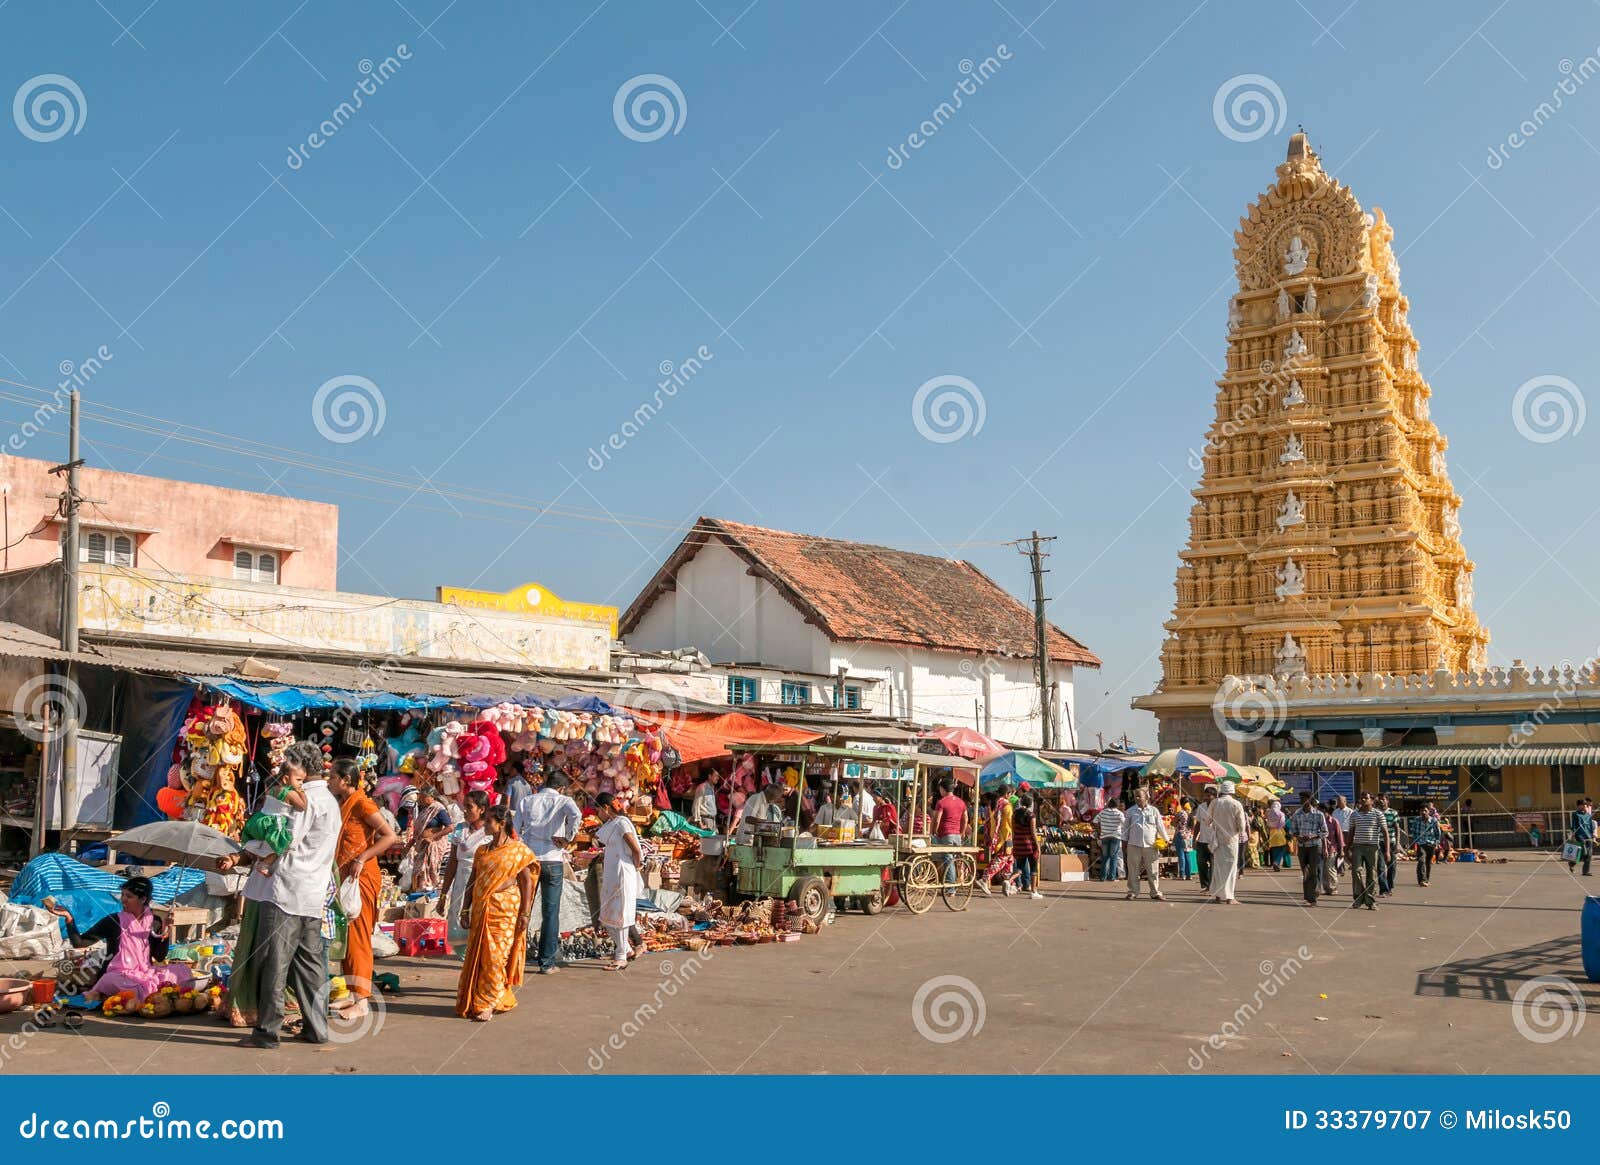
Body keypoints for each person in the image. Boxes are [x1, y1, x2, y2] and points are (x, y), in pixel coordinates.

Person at [221, 740, 340, 1049]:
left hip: (285, 891)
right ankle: (317, 1028)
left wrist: (253, 856)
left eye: (290, 764)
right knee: (309, 967)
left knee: (274, 963)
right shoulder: (330, 800)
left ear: (300, 766)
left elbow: (285, 839)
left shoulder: (303, 800)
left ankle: (266, 1033)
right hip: (312, 895)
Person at [45, 876, 193, 1005]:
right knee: (114, 981)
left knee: (181, 971)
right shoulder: (113, 921)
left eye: (128, 896)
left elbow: (159, 956)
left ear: (143, 899)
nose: (123, 900)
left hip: (144, 973)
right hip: (117, 976)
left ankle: (141, 994)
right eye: (122, 895)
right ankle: (138, 994)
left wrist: (166, 931)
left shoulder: (155, 922)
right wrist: (69, 919)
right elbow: (79, 943)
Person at [328, 758, 398, 1019]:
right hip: (345, 878)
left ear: (346, 780)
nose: (329, 781)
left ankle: (362, 1000)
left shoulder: (362, 803)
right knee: (346, 938)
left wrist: (361, 858)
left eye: (333, 777)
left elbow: (389, 836)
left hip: (361, 877)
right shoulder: (344, 803)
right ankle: (350, 992)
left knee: (358, 938)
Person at [454, 803, 536, 1021]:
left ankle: (487, 1004)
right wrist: (464, 909)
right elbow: (473, 880)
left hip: (505, 910)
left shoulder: (518, 851)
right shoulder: (483, 850)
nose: (484, 825)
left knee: (496, 957)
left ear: (501, 824)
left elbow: (526, 881)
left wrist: (526, 913)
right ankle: (491, 997)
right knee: (481, 956)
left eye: (489, 821)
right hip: (482, 908)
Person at [514, 770, 583, 974]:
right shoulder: (563, 800)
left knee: (522, 909)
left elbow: (516, 830)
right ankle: (547, 962)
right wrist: (568, 838)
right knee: (550, 913)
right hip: (552, 860)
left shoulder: (527, 801)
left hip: (529, 860)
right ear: (561, 787)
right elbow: (576, 815)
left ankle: (514, 956)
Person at [594, 791, 645, 969]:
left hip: (623, 874)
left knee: (621, 915)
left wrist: (636, 867)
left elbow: (636, 849)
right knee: (607, 916)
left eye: (598, 810)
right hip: (612, 873)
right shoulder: (612, 823)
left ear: (606, 808)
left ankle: (621, 956)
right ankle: (626, 949)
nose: (597, 814)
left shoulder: (622, 823)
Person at [439, 791, 492, 943]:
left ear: (481, 809)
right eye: (465, 806)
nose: (465, 810)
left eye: (469, 807)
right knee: (459, 925)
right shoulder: (460, 829)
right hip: (461, 885)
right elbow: (453, 862)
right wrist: (443, 895)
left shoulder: (490, 832)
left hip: (482, 884)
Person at [404, 784, 454, 895]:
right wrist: (409, 845)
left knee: (427, 873)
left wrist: (433, 837)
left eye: (423, 797)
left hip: (433, 846)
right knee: (418, 873)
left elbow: (450, 827)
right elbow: (418, 833)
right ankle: (419, 897)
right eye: (420, 797)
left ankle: (429, 896)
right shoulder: (423, 809)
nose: (420, 799)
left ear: (431, 797)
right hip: (422, 846)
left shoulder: (438, 809)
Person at [1122, 786, 1170, 901]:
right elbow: (1125, 829)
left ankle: (1155, 892)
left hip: (1151, 845)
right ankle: (1133, 892)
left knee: (1153, 870)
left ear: (1146, 797)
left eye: (1139, 796)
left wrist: (1166, 839)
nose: (1137, 798)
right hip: (1134, 844)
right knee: (1133, 870)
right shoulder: (1130, 811)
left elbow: (1160, 826)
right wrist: (1124, 843)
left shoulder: (1154, 811)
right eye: (1135, 796)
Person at [1208, 782, 1248, 904]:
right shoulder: (1236, 804)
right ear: (1232, 791)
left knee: (1218, 868)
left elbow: (1207, 820)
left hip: (1217, 840)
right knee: (1231, 868)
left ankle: (1218, 896)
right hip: (1231, 840)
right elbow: (1241, 826)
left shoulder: (1215, 802)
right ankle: (1230, 897)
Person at [1347, 792, 1387, 910]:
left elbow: (1385, 832)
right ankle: (1358, 899)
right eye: (1362, 798)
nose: (1363, 800)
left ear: (1372, 800)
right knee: (1356, 872)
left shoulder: (1378, 814)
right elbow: (1351, 832)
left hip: (1372, 847)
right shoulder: (1354, 814)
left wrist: (1388, 851)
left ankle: (1370, 901)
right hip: (1358, 846)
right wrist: (1347, 848)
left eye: (1366, 798)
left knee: (1372, 874)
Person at [1289, 792, 1326, 906]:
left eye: (1304, 799)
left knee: (1313, 871)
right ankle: (1307, 896)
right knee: (1305, 871)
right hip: (1302, 847)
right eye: (1301, 799)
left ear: (1310, 801)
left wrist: (1312, 836)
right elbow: (1292, 830)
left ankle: (1313, 898)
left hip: (1315, 846)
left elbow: (1325, 832)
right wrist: (1298, 836)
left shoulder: (1319, 814)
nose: (1302, 801)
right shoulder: (1297, 814)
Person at [932, 777, 968, 883]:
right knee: (954, 860)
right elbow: (965, 819)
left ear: (943, 789)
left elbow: (937, 820)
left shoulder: (941, 802)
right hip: (957, 836)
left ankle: (951, 888)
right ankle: (957, 881)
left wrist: (935, 831)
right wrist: (962, 832)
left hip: (946, 835)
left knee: (948, 860)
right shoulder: (961, 802)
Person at [984, 784, 1015, 896]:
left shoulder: (994, 804)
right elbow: (1011, 822)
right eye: (1011, 794)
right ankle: (985, 878)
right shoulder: (1006, 805)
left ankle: (1007, 882)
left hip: (995, 836)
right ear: (1007, 794)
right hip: (1005, 837)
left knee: (1010, 860)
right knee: (1002, 858)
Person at [1013, 795, 1041, 899]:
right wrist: (1037, 846)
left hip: (1018, 843)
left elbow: (1013, 829)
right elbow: (1033, 833)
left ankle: (1008, 880)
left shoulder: (1015, 814)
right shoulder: (1031, 815)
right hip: (1029, 845)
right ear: (1030, 804)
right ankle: (1034, 891)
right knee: (1034, 867)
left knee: (1019, 868)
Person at [1410, 802, 1442, 886]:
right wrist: (1415, 842)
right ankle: (1422, 880)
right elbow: (1413, 832)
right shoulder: (1416, 820)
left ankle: (1426, 879)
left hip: (1431, 844)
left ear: (1429, 811)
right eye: (1421, 811)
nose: (1423, 812)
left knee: (1428, 862)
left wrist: (1437, 843)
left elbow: (1437, 833)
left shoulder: (1433, 821)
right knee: (1421, 860)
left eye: (1425, 810)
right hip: (1420, 843)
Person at [1096, 800, 1126, 884]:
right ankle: (1112, 877)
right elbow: (1125, 823)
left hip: (1104, 836)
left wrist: (1101, 829)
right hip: (1115, 836)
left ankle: (1103, 877)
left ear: (1108, 804)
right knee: (1113, 856)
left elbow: (1095, 821)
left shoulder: (1102, 812)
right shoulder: (1119, 813)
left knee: (1105, 856)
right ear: (1117, 805)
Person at [1376, 794, 1400, 896]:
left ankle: (1390, 886)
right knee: (1380, 866)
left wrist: (1398, 844)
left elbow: (1397, 828)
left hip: (1391, 842)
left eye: (1383, 799)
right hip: (1378, 842)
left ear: (1387, 801)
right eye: (1380, 799)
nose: (1381, 801)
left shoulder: (1393, 812)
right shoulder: (1375, 812)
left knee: (1392, 866)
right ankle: (1383, 889)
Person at [1194, 786, 1216, 891]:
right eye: (1205, 795)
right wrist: (1195, 838)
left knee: (1213, 864)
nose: (1206, 797)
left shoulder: (1218, 807)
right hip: (1202, 840)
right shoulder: (1201, 807)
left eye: (1209, 795)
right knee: (1200, 862)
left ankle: (1211, 886)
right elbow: (1198, 823)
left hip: (1214, 841)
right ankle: (1205, 884)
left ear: (1214, 796)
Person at [1321, 800, 1345, 897]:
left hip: (1332, 849)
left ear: (1325, 811)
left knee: (1331, 868)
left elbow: (1340, 836)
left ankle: (1334, 888)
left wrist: (1341, 850)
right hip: (1320, 848)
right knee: (1323, 869)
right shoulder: (1319, 821)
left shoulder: (1334, 822)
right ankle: (1327, 888)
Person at [1570, 798, 1596, 876]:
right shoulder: (1575, 814)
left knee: (1589, 855)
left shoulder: (1588, 815)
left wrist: (1593, 835)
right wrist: (1573, 835)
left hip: (1589, 836)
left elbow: (1591, 826)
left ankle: (1586, 871)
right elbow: (1574, 826)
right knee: (1584, 853)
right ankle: (1572, 863)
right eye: (1583, 805)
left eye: (1586, 805)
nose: (1585, 806)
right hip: (1580, 836)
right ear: (1579, 806)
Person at [1172, 800, 1193, 880]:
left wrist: (1176, 822)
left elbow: (1172, 823)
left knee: (1181, 855)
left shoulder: (1181, 813)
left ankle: (1182, 874)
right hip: (1188, 835)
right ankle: (1189, 875)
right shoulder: (1190, 813)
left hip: (1180, 835)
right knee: (1187, 855)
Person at [1265, 800, 1289, 869]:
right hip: (1280, 832)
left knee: (1274, 848)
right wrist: (1278, 827)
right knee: (1282, 847)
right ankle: (1276, 862)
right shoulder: (1281, 813)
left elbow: (1267, 823)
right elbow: (1282, 822)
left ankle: (1276, 863)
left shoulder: (1268, 813)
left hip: (1272, 832)